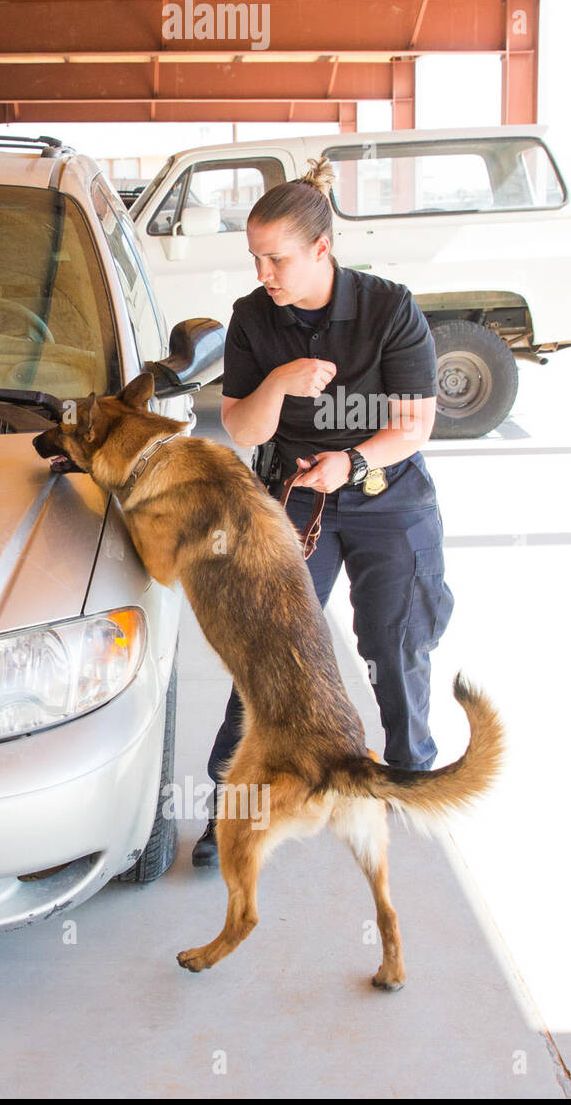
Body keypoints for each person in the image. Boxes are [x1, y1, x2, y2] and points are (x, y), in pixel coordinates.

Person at [194, 158, 454, 868]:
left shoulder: (388, 308)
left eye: (276, 257)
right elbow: (244, 429)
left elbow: (415, 424)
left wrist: (353, 462)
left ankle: (409, 782)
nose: (264, 272)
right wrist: (280, 379)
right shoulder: (253, 318)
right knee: (269, 659)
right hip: (294, 500)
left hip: (386, 496)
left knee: (396, 646)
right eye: (255, 257)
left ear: (320, 250)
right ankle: (230, 811)